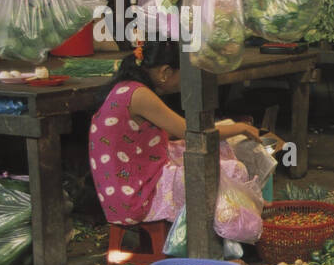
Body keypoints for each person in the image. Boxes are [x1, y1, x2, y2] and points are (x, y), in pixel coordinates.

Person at [89, 41, 259, 227]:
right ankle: (233, 235)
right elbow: (192, 133)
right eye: (183, 74)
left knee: (215, 149)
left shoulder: (127, 88)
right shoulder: (140, 95)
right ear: (166, 73)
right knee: (234, 169)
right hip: (136, 201)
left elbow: (164, 135)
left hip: (125, 195)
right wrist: (240, 128)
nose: (184, 82)